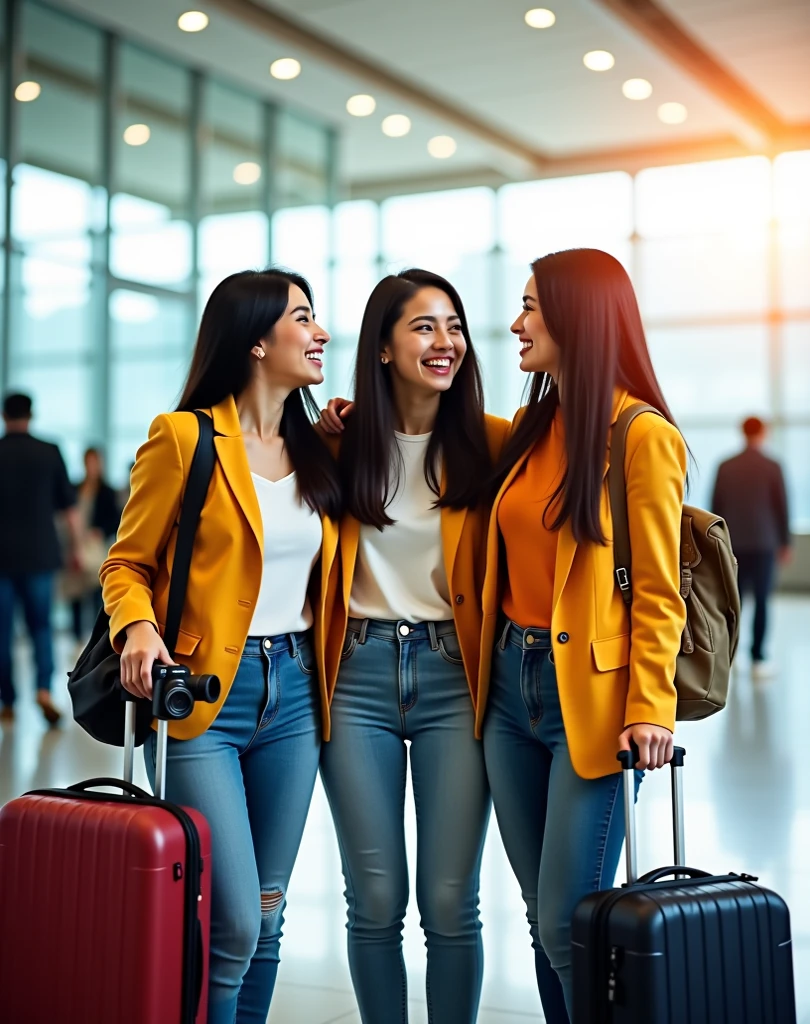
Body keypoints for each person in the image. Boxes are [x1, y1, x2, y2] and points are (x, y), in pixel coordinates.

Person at [100, 269, 342, 1024]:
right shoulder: (184, 438)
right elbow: (126, 562)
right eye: (304, 318)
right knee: (233, 918)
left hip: (297, 694)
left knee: (267, 915)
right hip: (203, 698)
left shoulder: (318, 447)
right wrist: (137, 626)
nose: (321, 332)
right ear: (258, 341)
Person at [477, 249, 687, 1023]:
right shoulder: (531, 429)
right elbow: (438, 428)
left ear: (580, 316)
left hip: (591, 705)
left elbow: (661, 589)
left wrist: (651, 706)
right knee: (543, 918)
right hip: (508, 690)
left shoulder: (640, 436)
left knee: (572, 917)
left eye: (531, 306)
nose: (516, 323)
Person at [317, 270, 509, 1024]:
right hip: (355, 674)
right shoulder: (336, 442)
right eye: (425, 326)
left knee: (450, 901)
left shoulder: (493, 444)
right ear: (386, 347)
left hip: (455, 677)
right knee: (374, 900)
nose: (446, 342)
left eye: (454, 325)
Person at [0, 392, 81, 725]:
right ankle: (44, 691)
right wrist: (76, 548)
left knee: (2, 632)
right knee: (42, 628)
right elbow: (69, 509)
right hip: (39, 555)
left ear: (5, 416)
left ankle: (7, 701)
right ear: (31, 415)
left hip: (1, 558)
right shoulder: (49, 452)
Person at [711, 416, 791, 678]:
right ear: (764, 432)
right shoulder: (772, 466)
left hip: (732, 544)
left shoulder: (725, 466)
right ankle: (757, 660)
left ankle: (730, 657)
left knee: (733, 603)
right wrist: (784, 542)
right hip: (764, 543)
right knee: (762, 601)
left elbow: (715, 509)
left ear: (742, 431)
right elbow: (782, 507)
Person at [63, 447, 121, 643]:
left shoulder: (108, 492)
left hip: (96, 549)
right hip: (77, 546)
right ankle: (77, 640)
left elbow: (116, 520)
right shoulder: (75, 488)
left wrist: (100, 531)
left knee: (98, 595)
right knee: (76, 596)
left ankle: (96, 641)